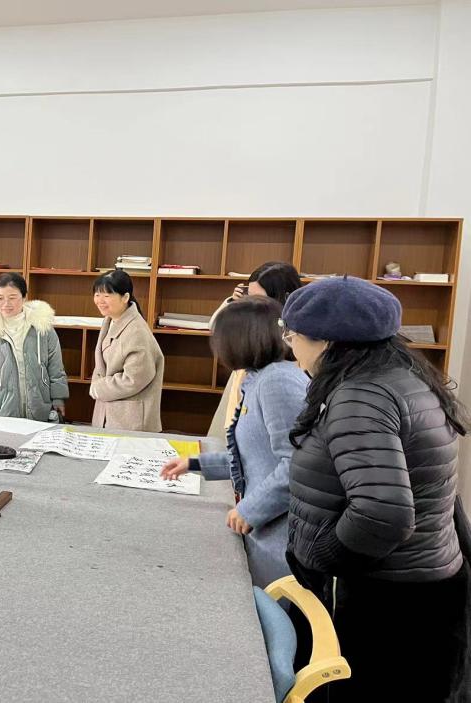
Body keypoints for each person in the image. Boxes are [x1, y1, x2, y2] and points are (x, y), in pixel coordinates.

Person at [281, 276, 469, 701]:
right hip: (418, 586)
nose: (290, 347)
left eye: (291, 335)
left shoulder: (361, 395)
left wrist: (327, 558)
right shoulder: (398, 375)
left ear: (327, 342)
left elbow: (381, 513)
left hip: (385, 600)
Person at [161, 297, 308, 589]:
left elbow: (297, 464)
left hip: (279, 536)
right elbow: (254, 457)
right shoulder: (260, 378)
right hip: (266, 529)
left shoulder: (276, 382)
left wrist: (250, 510)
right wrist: (195, 463)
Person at [207, 262, 302, 438]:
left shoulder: (296, 340)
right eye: (248, 298)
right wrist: (233, 303)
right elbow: (216, 328)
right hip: (240, 397)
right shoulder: (253, 325)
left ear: (282, 297)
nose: (250, 306)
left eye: (257, 299)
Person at [0, 273, 68, 421]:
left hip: (40, 406)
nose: (5, 303)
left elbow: (55, 366)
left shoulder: (42, 327)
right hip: (2, 409)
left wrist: (58, 398)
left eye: (12, 297)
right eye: (0, 298)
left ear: (24, 297)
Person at [89, 270, 164, 432]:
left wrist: (98, 388)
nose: (100, 301)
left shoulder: (137, 331)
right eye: (97, 294)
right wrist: (96, 384)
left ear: (125, 297)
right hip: (111, 413)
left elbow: (134, 379)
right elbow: (102, 364)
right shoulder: (110, 320)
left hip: (129, 419)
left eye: (107, 296)